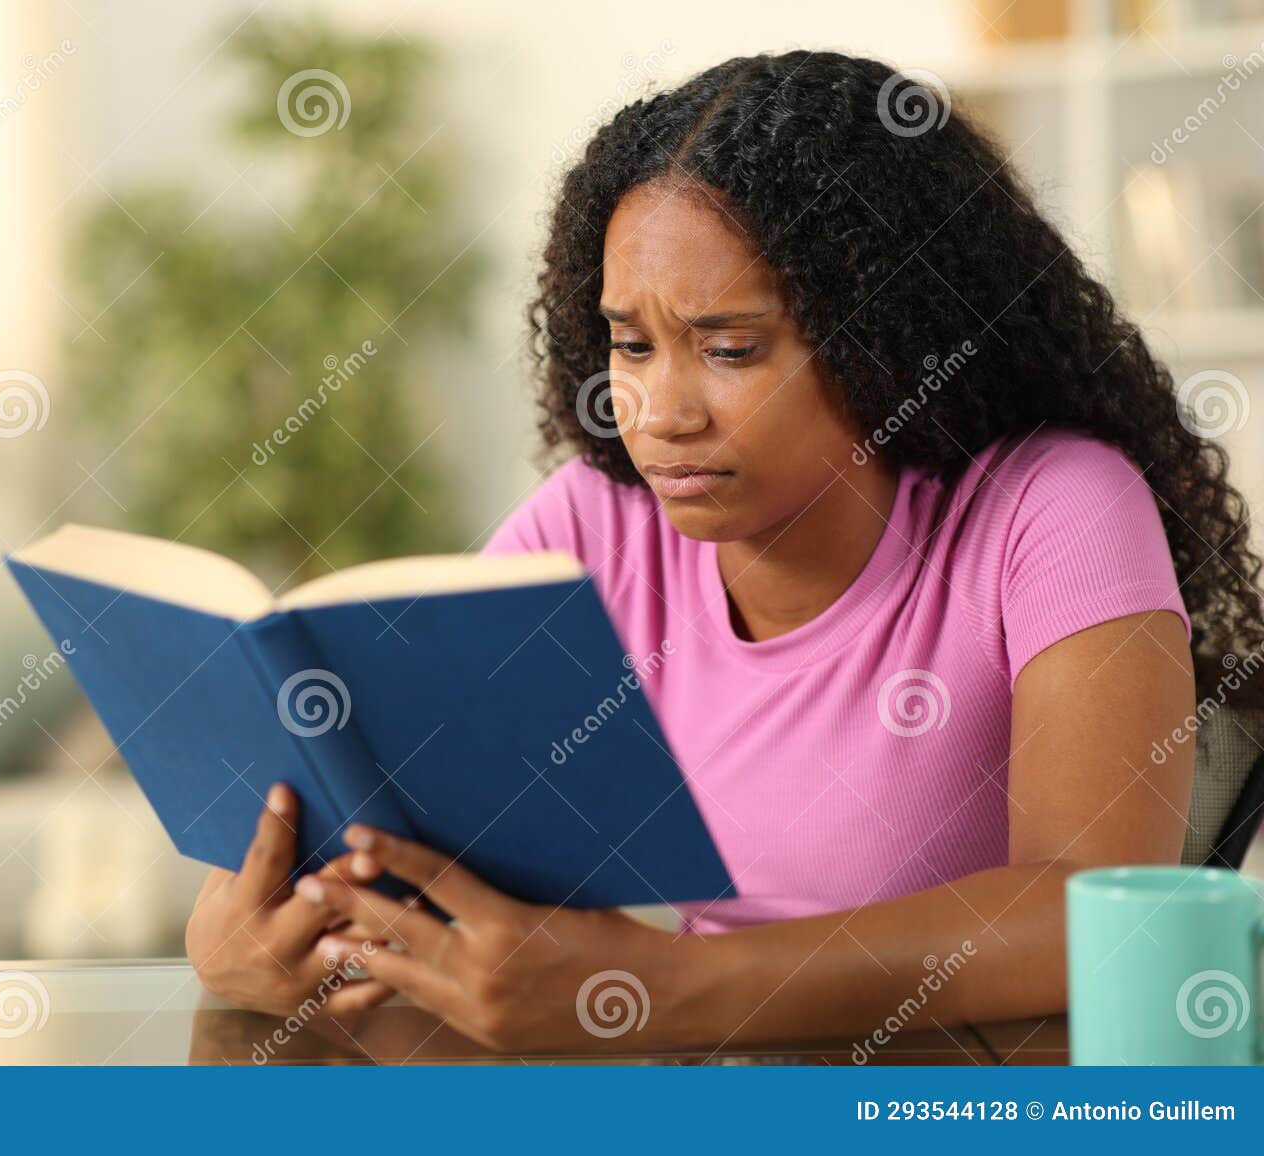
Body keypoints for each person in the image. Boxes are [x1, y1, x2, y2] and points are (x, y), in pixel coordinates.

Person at [186, 50, 1261, 1053]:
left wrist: (668, 985)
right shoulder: (591, 525)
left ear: (886, 338)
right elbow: (394, 814)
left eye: (730, 347)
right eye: (631, 344)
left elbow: (1090, 909)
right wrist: (257, 936)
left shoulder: (1053, 504)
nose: (657, 413)